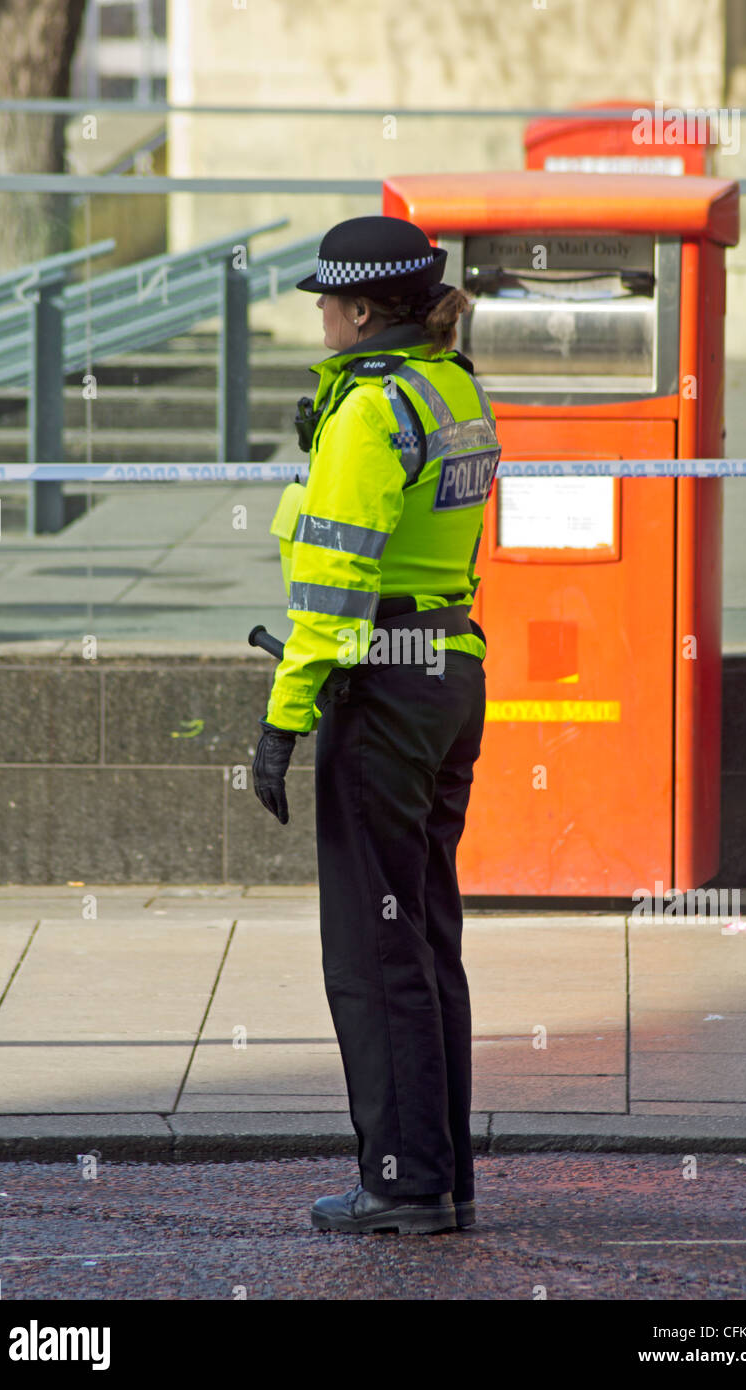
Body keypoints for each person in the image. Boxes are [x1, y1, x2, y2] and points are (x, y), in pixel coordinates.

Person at [252, 215, 501, 1235]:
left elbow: (335, 583)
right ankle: (442, 1175)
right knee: (427, 936)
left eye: (326, 300)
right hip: (449, 669)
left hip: (382, 689)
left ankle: (400, 1181)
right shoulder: (453, 386)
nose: (317, 314)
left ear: (361, 309)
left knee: (372, 948)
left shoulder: (365, 411)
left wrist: (283, 718)